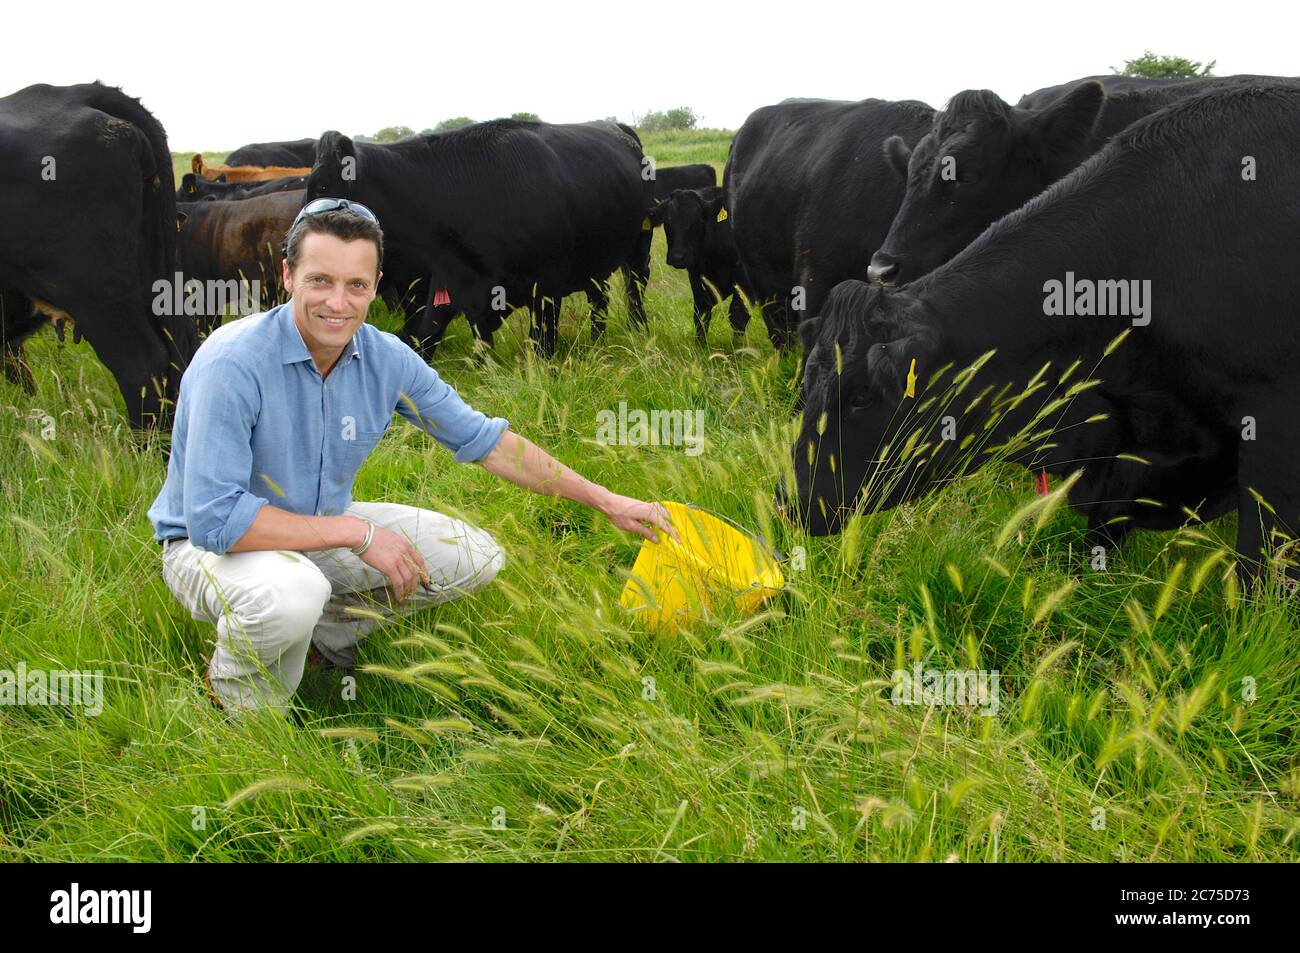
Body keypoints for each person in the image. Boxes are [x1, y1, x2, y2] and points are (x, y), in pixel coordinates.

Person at [148, 197, 678, 713]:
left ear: (377, 286)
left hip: (316, 523)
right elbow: (216, 520)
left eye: (356, 285)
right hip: (208, 549)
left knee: (475, 557)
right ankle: (238, 707)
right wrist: (360, 534)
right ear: (287, 276)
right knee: (291, 593)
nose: (338, 302)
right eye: (320, 281)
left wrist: (607, 501)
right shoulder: (232, 361)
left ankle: (323, 641)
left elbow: (486, 442)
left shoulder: (385, 358)